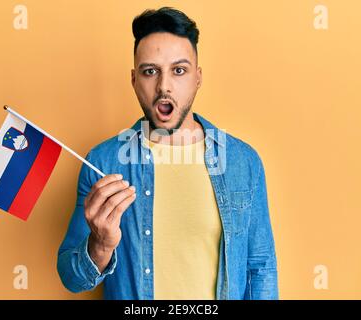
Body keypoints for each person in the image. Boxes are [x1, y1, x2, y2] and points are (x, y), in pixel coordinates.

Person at [57, 6, 278, 300]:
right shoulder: (103, 163)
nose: (164, 86)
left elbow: (260, 268)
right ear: (134, 80)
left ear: (197, 78)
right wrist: (100, 246)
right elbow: (71, 278)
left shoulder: (243, 162)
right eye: (151, 72)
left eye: (179, 70)